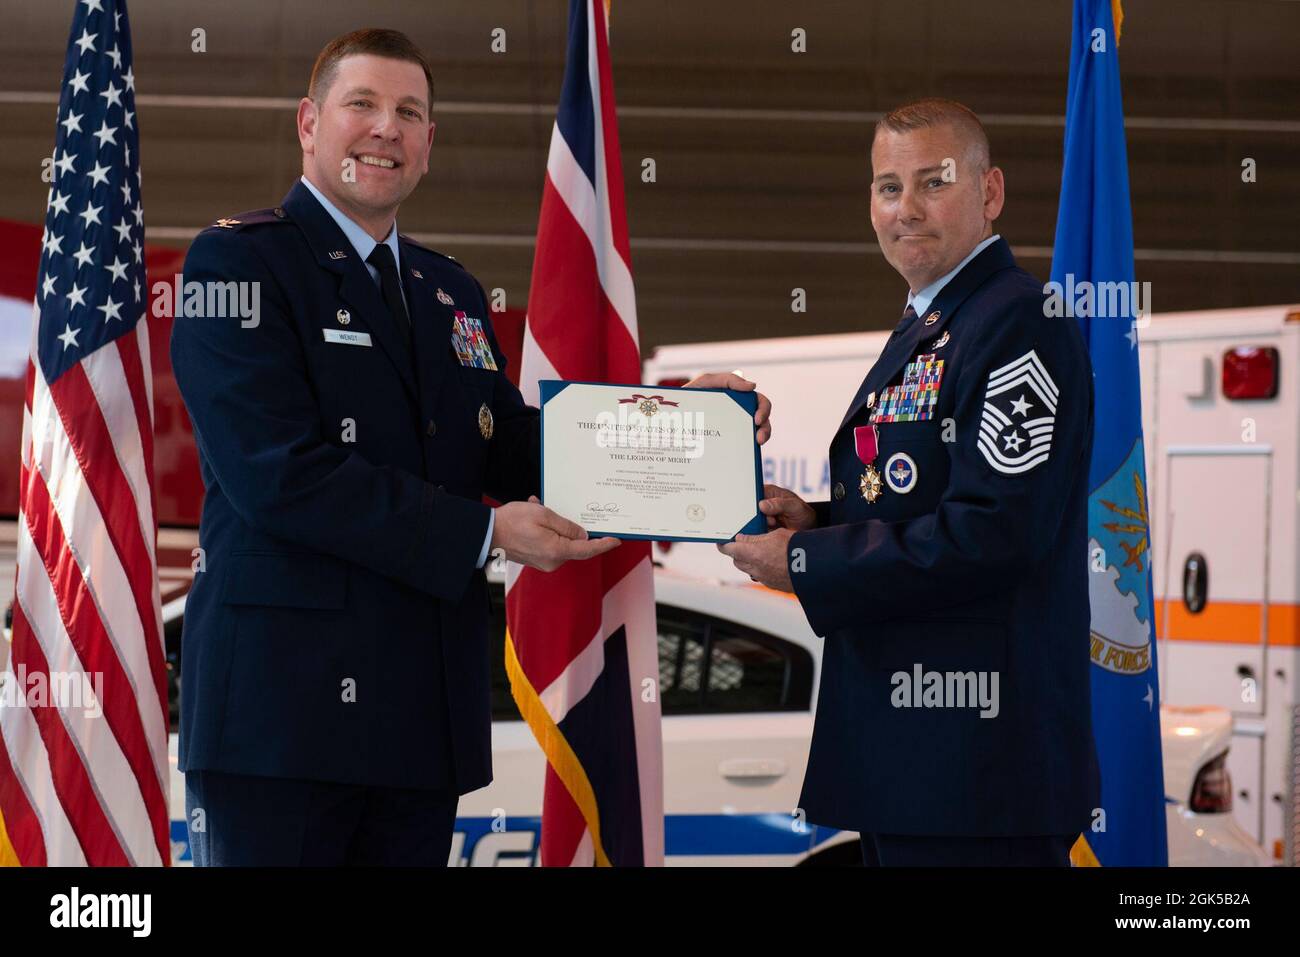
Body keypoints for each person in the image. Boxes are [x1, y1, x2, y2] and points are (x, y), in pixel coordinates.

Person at [172, 28, 767, 866]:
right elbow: (278, 476)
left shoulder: (445, 287)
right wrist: (485, 534)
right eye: (363, 105)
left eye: (409, 113)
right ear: (310, 123)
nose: (387, 128)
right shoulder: (238, 263)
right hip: (284, 726)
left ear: (428, 145)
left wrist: (686, 426)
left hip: (420, 725)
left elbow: (515, 444)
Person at [719, 98, 1099, 866]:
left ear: (989, 193)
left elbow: (993, 533)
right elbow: (919, 498)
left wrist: (802, 561)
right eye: (888, 187)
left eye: (934, 182)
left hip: (977, 775)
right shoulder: (936, 320)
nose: (907, 209)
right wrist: (818, 520)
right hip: (917, 766)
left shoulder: (1019, 321)